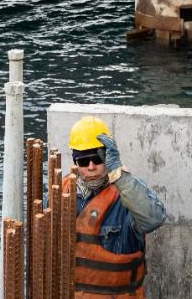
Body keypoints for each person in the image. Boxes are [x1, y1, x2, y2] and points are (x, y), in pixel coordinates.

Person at [70, 116, 167, 298]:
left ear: (108, 157)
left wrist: (118, 173)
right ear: (75, 162)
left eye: (97, 159)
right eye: (83, 161)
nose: (91, 167)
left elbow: (154, 219)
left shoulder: (128, 193)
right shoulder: (64, 194)